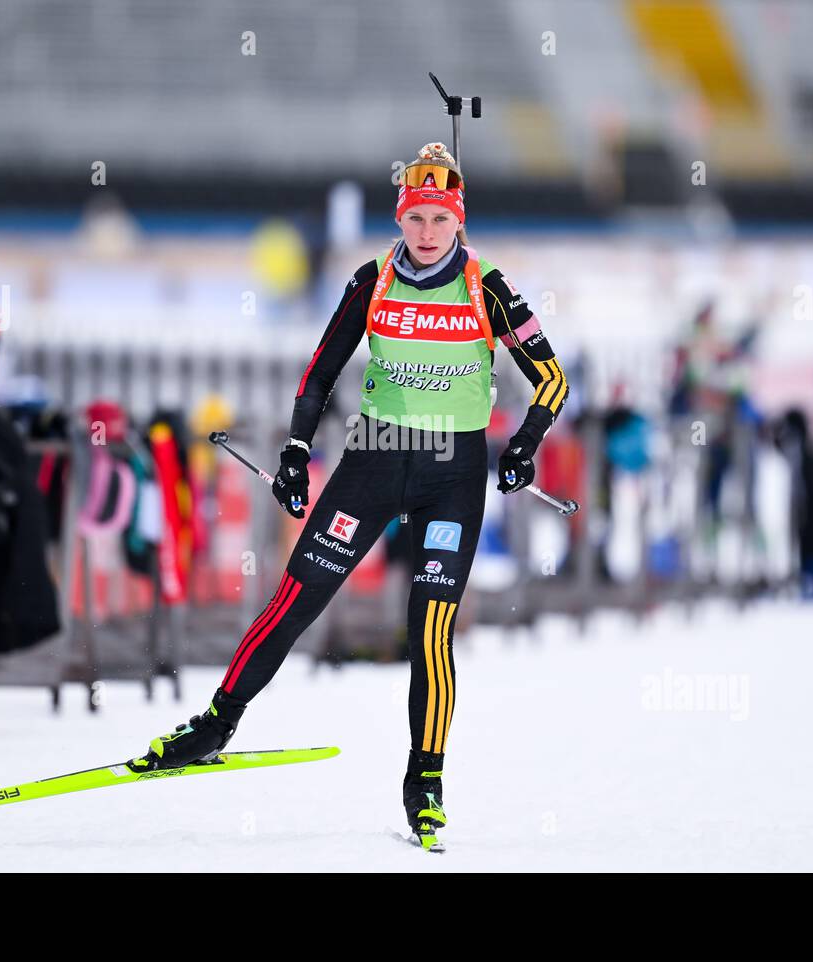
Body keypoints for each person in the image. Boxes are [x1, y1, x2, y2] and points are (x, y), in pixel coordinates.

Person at [128, 143, 569, 847]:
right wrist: (298, 451)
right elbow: (319, 372)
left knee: (430, 633)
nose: (426, 232)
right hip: (376, 459)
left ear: (457, 221)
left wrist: (523, 445)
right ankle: (214, 726)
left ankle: (424, 783)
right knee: (294, 601)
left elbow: (552, 377)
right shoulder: (374, 280)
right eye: (414, 218)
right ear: (400, 219)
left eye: (439, 218)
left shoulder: (488, 288)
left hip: (452, 474)